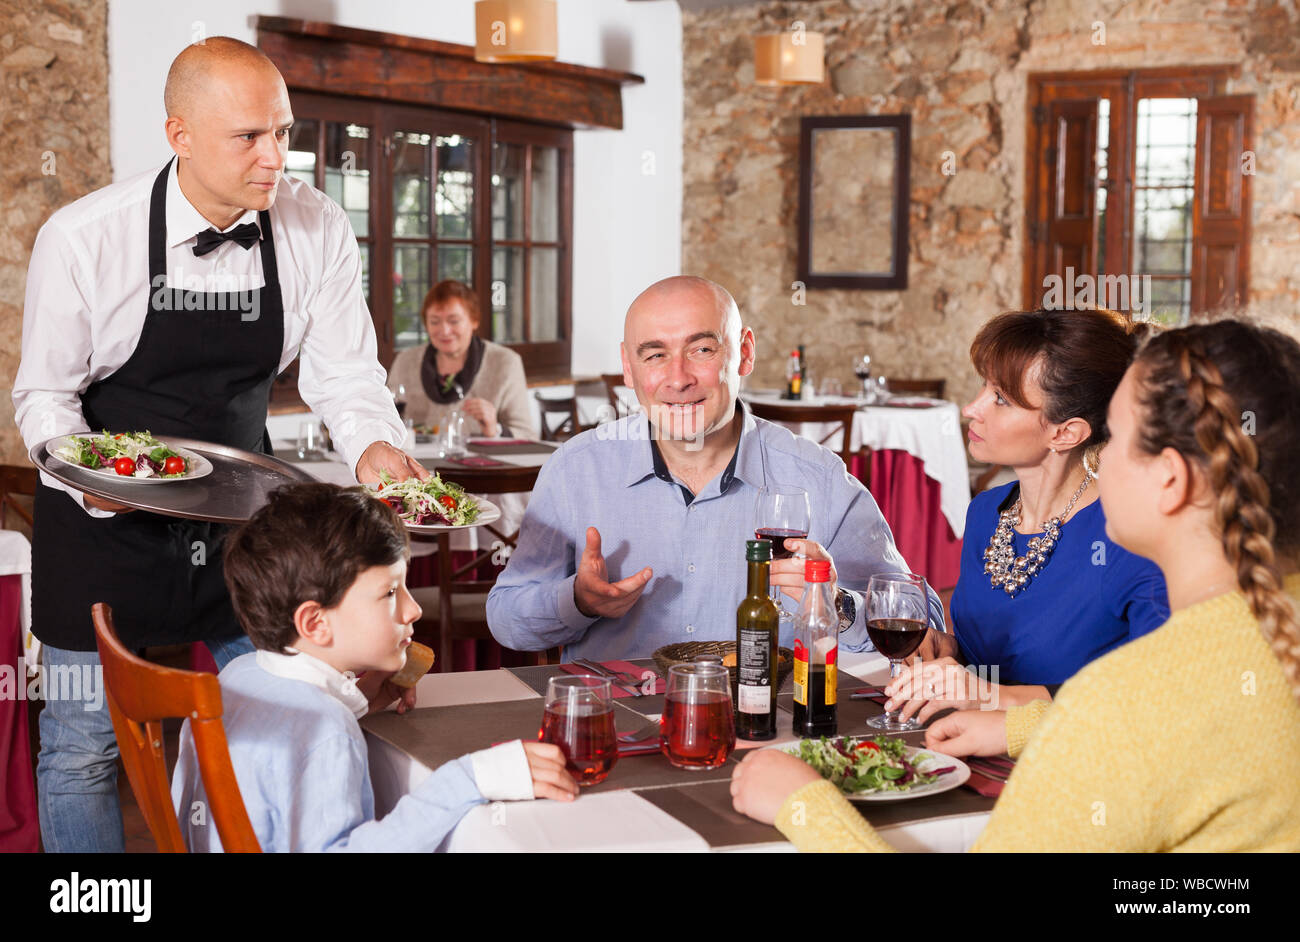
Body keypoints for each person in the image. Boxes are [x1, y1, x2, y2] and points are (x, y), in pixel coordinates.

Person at [12, 38, 427, 853]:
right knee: (81, 748)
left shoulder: (313, 222)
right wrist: (90, 474)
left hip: (245, 518)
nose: (277, 157)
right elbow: (45, 397)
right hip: (104, 518)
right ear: (181, 135)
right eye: (250, 137)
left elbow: (346, 375)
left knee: (284, 714)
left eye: (285, 131)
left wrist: (376, 445)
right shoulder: (83, 237)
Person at [730, 319, 1300, 852]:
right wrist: (1013, 720)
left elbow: (1133, 718)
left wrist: (802, 806)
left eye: (1119, 437)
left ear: (1171, 479)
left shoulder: (1131, 693)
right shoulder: (1250, 645)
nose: (1103, 459)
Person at [486, 275, 944, 662]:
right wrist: (577, 602)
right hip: (617, 734)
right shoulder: (575, 471)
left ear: (743, 353)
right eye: (654, 354)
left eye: (702, 349)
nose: (679, 377)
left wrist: (836, 604)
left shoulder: (819, 480)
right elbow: (507, 619)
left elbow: (928, 634)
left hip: (773, 741)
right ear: (628, 367)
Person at [172, 484, 577, 852]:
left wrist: (357, 699)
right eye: (389, 592)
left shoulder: (237, 675)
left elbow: (285, 753)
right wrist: (470, 777)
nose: (413, 609)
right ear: (315, 623)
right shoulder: (327, 730)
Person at [885, 308, 1169, 726]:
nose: (971, 408)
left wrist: (987, 696)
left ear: (1065, 433)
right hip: (962, 747)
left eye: (1000, 399)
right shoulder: (987, 511)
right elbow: (988, 658)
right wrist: (946, 652)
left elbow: (1152, 702)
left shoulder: (1130, 538)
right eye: (984, 387)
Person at [387, 280, 537, 439]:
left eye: (454, 321)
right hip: (414, 462)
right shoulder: (405, 362)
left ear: (474, 320)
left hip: (482, 463)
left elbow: (527, 436)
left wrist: (495, 430)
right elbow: (385, 421)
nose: (444, 330)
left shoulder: (506, 363)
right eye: (434, 322)